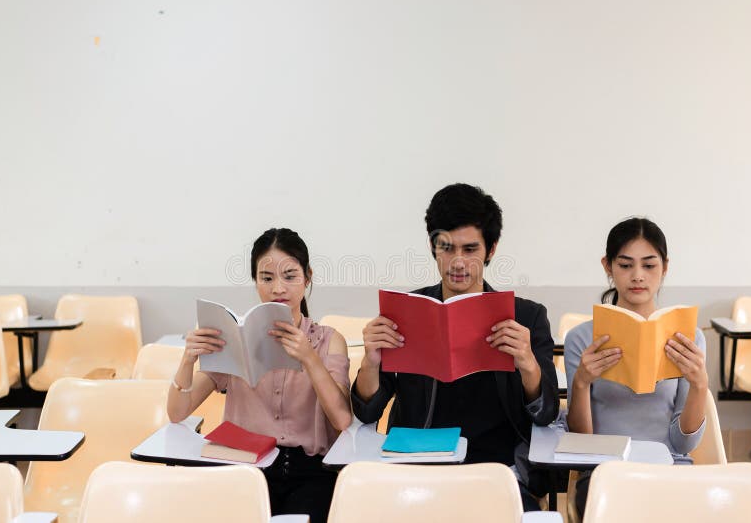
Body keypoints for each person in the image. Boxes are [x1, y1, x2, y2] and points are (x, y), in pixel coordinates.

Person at [352, 183, 559, 511]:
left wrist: (528, 364)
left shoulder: (527, 317)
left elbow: (547, 414)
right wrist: (371, 362)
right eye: (446, 248)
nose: (457, 262)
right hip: (418, 467)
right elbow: (366, 411)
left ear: (491, 250)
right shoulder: (408, 311)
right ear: (433, 248)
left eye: (470, 249)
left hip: (498, 471)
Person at [167, 228, 352, 523]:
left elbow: (342, 420)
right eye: (267, 278)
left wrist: (309, 358)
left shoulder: (329, 340)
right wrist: (188, 359)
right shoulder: (236, 337)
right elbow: (178, 413)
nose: (278, 288)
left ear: (307, 277)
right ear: (256, 282)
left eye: (290, 276)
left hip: (310, 474)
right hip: (243, 469)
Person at [565, 217, 707, 517]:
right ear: (608, 266)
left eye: (649, 265)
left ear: (665, 267)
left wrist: (699, 385)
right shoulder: (581, 338)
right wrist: (580, 383)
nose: (637, 276)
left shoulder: (689, 337)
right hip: (604, 470)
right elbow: (582, 443)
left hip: (669, 466)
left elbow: (684, 445)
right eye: (625, 265)